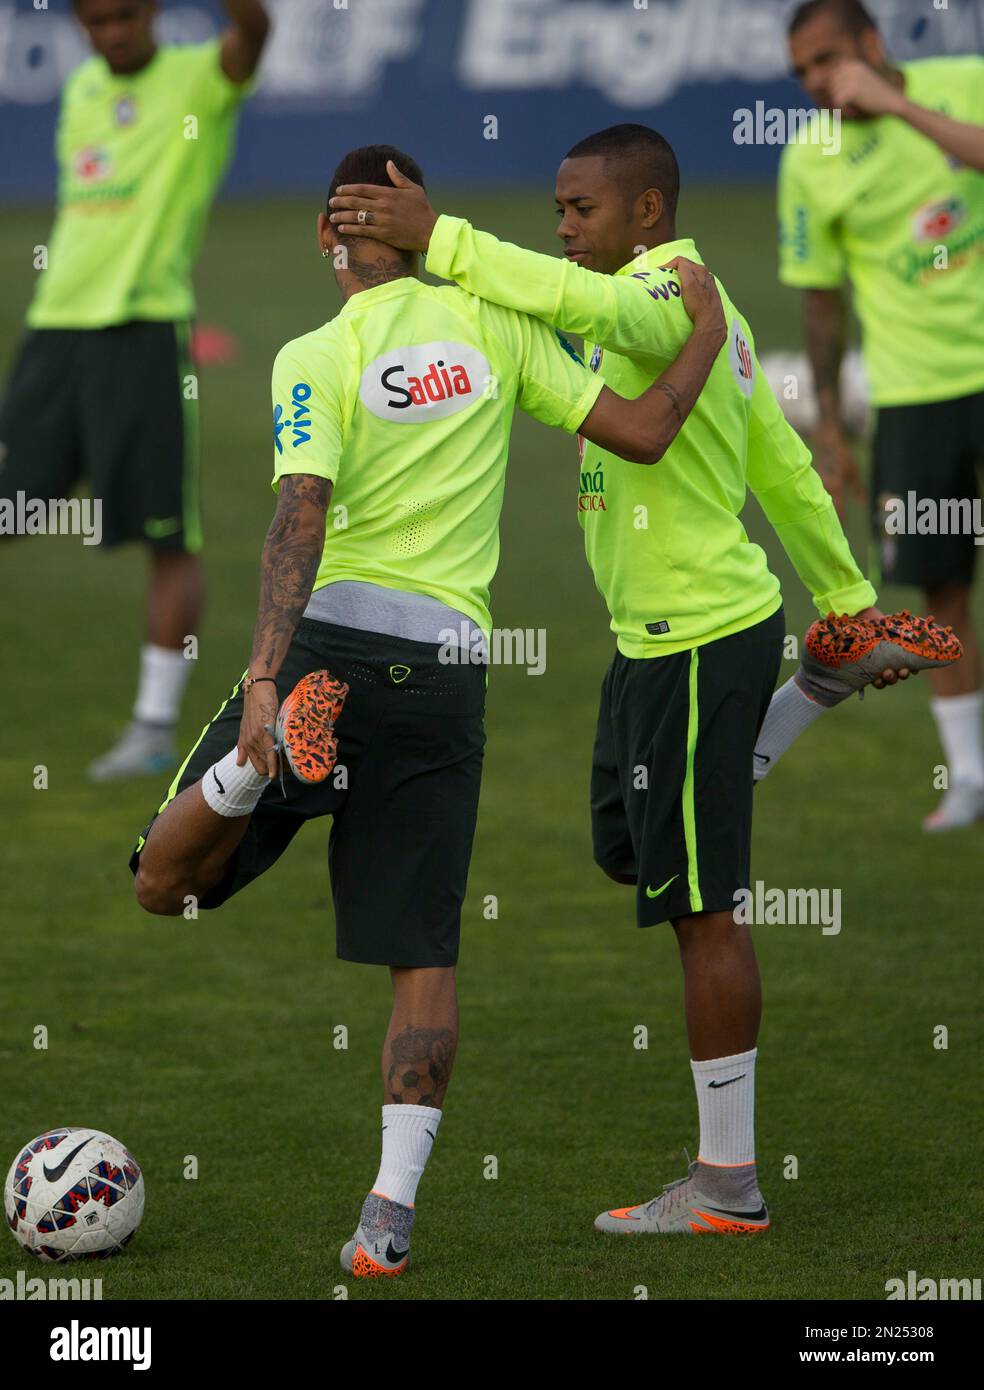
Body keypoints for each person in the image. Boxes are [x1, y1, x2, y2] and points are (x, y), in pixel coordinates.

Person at [325, 124, 935, 1237]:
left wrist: (442, 236)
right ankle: (815, 688)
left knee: (704, 905)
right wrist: (845, 603)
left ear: (646, 213)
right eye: (556, 211)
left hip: (700, 638)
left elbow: (598, 315)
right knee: (630, 849)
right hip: (651, 647)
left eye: (579, 210)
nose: (562, 228)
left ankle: (727, 1185)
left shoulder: (674, 296)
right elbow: (785, 465)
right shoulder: (706, 320)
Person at [130, 144, 729, 1277]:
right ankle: (387, 1216)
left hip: (327, 647)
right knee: (423, 955)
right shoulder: (497, 328)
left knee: (169, 886)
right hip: (446, 666)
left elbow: (298, 514)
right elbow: (645, 430)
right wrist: (701, 334)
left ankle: (249, 774)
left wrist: (264, 677)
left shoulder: (314, 353)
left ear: (328, 238)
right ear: (412, 229)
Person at [0, 0, 270, 781]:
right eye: (94, 19)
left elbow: (254, 35)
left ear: (151, 11)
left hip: (146, 333)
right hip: (54, 332)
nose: (110, 32)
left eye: (123, 15)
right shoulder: (82, 87)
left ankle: (152, 728)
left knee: (164, 535)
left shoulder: (200, 78)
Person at [777, 0, 984, 830]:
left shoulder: (964, 81)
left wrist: (898, 106)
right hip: (909, 395)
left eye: (827, 60)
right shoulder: (808, 159)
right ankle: (970, 774)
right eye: (801, 73)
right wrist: (832, 427)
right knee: (941, 590)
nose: (816, 84)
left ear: (872, 42)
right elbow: (822, 308)